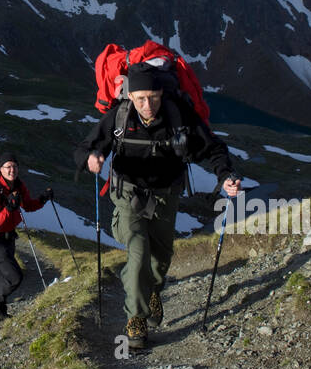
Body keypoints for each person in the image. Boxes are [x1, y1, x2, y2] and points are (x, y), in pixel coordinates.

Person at [73, 63, 242, 351]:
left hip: (166, 195)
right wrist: (92, 158)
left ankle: (152, 291)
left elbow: (212, 148)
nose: (147, 104)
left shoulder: (179, 117)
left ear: (162, 93)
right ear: (131, 96)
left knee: (160, 260)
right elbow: (87, 146)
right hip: (127, 195)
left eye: (152, 97)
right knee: (138, 250)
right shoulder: (120, 116)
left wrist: (226, 176)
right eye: (140, 98)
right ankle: (135, 319)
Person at [0, 153, 53, 319]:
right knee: (15, 277)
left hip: (8, 234)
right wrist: (9, 208)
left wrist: (43, 198)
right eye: (8, 167)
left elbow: (27, 205)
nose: (12, 170)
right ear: (1, 170)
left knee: (2, 272)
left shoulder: (18, 185)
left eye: (14, 166)